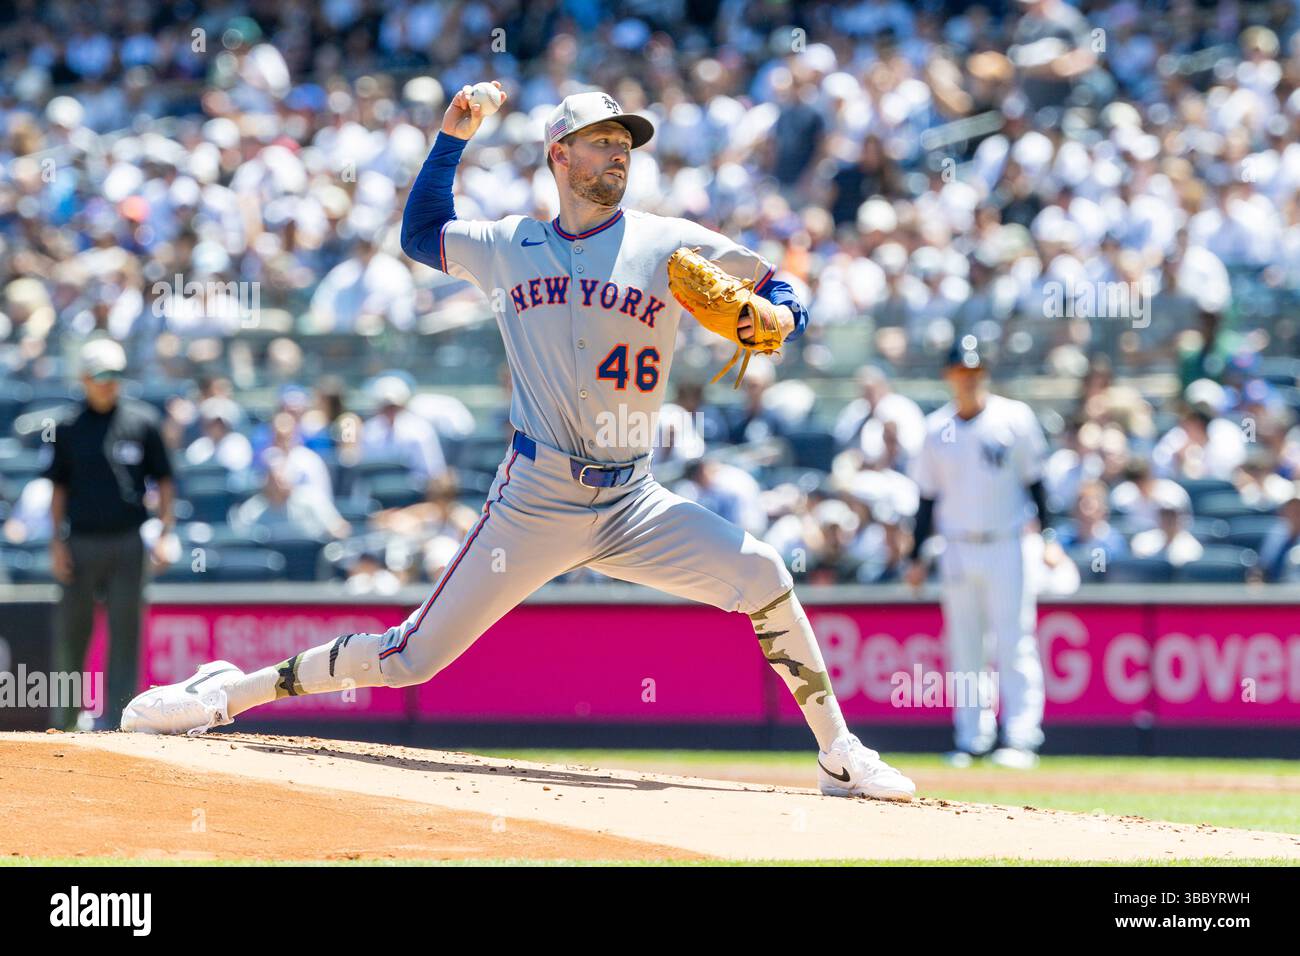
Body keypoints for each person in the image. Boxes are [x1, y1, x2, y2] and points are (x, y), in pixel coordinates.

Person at [120, 84, 915, 802]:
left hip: (634, 497)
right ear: (559, 155)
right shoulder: (508, 245)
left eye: (626, 143)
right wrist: (452, 138)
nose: (618, 154)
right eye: (603, 141)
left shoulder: (668, 242)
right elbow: (421, 231)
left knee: (764, 571)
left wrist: (785, 314)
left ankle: (838, 752)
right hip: (536, 496)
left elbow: (782, 279)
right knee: (410, 660)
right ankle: (229, 693)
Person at [904, 335, 1056, 770]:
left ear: (984, 373)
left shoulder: (1015, 418)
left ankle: (1022, 736)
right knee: (966, 646)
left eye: (973, 371)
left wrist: (1047, 538)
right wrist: (916, 557)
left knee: (1014, 639)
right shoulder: (936, 429)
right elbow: (926, 499)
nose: (967, 379)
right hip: (957, 545)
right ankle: (972, 737)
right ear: (948, 376)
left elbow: (1037, 482)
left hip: (1008, 542)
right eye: (960, 372)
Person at [43, 338, 177, 729]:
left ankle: (119, 721)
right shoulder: (68, 427)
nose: (109, 383)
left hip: (127, 542)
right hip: (80, 542)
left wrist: (166, 533)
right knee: (72, 633)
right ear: (84, 378)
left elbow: (165, 480)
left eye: (115, 375)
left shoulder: (143, 421)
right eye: (101, 376)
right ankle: (65, 722)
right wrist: (55, 542)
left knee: (126, 634)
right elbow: (58, 488)